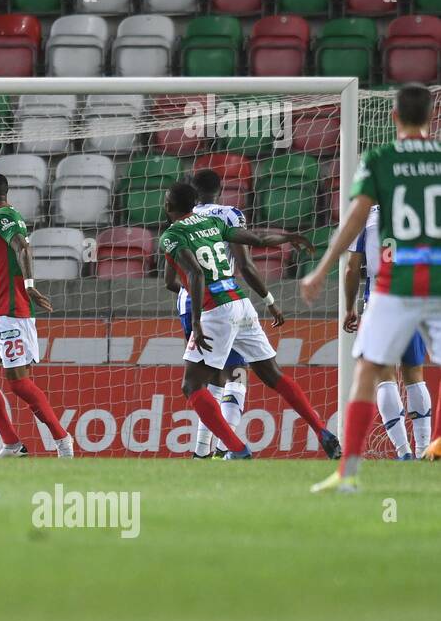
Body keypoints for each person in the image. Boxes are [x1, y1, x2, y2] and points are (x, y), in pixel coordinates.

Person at [301, 83, 439, 492]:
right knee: (414, 373)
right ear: (431, 119)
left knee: (368, 371)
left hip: (394, 285)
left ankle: (347, 474)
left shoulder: (380, 159)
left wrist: (321, 268)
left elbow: (355, 221)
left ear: (394, 117)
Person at [160, 182, 335, 460]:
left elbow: (194, 274)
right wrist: (289, 236)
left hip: (215, 310)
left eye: (166, 200)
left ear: (169, 206)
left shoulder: (171, 236)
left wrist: (196, 321)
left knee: (192, 386)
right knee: (273, 375)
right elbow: (258, 240)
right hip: (241, 303)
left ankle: (237, 449)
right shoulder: (213, 223)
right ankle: (322, 430)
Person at [0, 172, 73, 458]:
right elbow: (6, 262)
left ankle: (62, 439)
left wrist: (30, 286)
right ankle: (12, 444)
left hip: (11, 315)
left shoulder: (3, 217)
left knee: (19, 382)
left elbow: (23, 247)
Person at [344, 205, 432, 460]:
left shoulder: (364, 215)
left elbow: (351, 269)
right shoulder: (421, 210)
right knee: (414, 373)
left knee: (384, 377)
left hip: (380, 302)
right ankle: (423, 449)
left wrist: (350, 307)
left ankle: (403, 452)